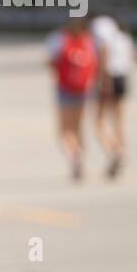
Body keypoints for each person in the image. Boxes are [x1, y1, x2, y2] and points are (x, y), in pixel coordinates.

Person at [45, 16, 99, 181]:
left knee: (65, 130)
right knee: (78, 127)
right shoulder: (89, 41)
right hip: (83, 89)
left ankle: (75, 155)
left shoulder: (60, 39)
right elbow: (96, 63)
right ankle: (81, 156)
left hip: (65, 89)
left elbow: (50, 62)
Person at [90, 13, 133, 178]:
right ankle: (122, 150)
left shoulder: (100, 28)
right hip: (123, 75)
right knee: (118, 120)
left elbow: (104, 50)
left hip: (108, 76)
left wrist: (103, 78)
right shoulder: (123, 37)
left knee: (99, 122)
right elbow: (131, 57)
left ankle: (114, 151)